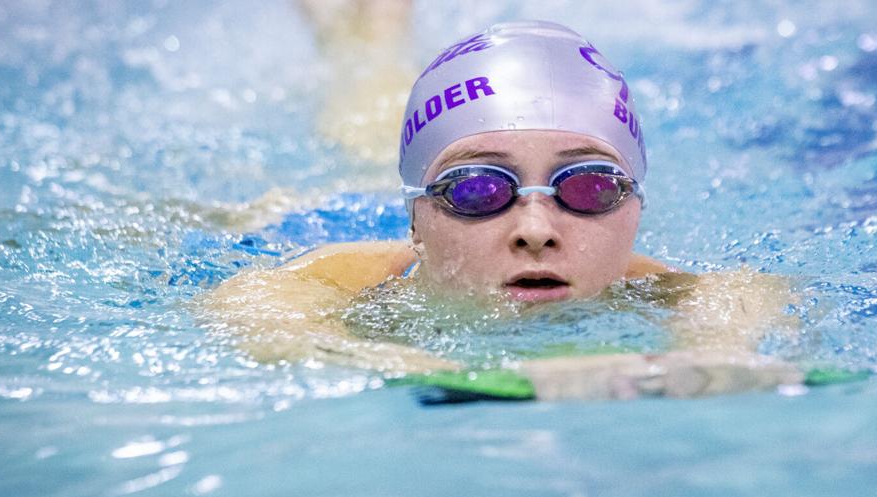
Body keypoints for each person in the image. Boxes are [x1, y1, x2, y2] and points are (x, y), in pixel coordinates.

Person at [197, 14, 805, 400]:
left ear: (635, 210)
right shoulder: (344, 278)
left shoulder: (668, 291)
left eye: (588, 187)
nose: (536, 231)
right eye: (476, 190)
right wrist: (425, 366)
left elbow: (748, 298)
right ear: (415, 216)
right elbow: (253, 314)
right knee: (354, 118)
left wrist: (705, 357)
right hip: (315, 207)